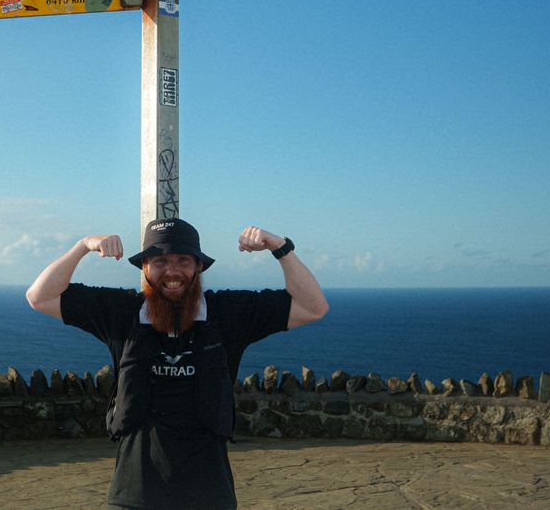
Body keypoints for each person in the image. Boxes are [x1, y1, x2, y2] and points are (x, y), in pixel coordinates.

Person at [26, 217, 329, 509]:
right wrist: (82, 245)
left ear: (198, 266)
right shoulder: (122, 313)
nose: (172, 271)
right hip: (135, 493)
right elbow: (40, 297)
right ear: (144, 267)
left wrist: (280, 247)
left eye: (183, 260)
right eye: (159, 261)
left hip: (209, 494)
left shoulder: (228, 314)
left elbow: (312, 307)